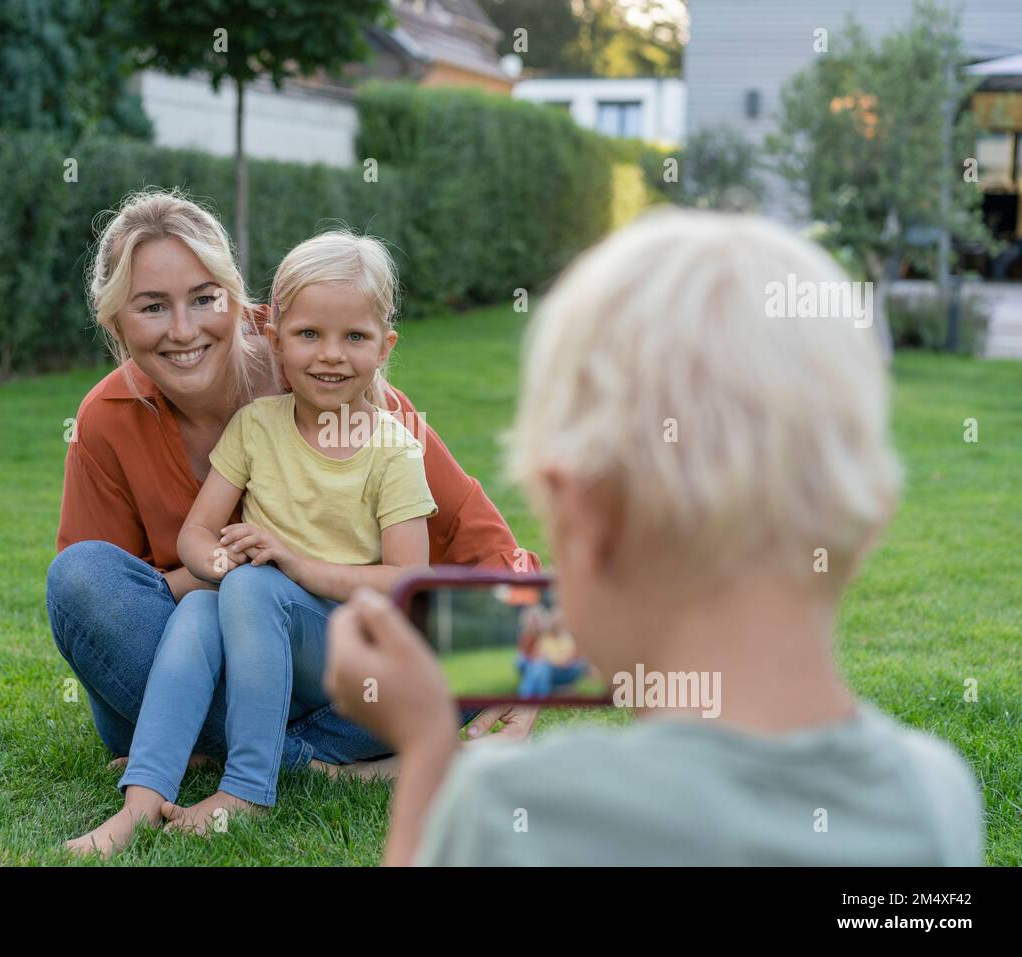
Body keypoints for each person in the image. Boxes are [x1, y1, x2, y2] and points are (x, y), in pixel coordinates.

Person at [323, 209, 984, 866]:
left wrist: (427, 752)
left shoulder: (512, 809)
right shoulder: (936, 792)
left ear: (586, 519)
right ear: (870, 518)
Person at [48, 189, 538, 828]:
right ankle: (314, 759)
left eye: (204, 297)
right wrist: (237, 572)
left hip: (331, 654)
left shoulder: (320, 366)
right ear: (116, 323)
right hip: (203, 655)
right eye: (151, 307)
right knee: (82, 578)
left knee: (478, 636)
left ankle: (225, 754)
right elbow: (112, 602)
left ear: (237, 295)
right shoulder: (107, 420)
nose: (184, 329)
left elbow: (486, 545)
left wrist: (525, 676)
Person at [67, 232, 436, 854]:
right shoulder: (256, 427)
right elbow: (198, 533)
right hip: (253, 605)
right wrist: (219, 562)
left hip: (345, 642)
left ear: (384, 347)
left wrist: (290, 564)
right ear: (275, 335)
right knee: (200, 607)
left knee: (256, 587)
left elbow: (405, 580)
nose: (331, 356)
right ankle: (141, 799)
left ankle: (248, 789)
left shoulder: (395, 449)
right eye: (309, 335)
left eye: (355, 338)